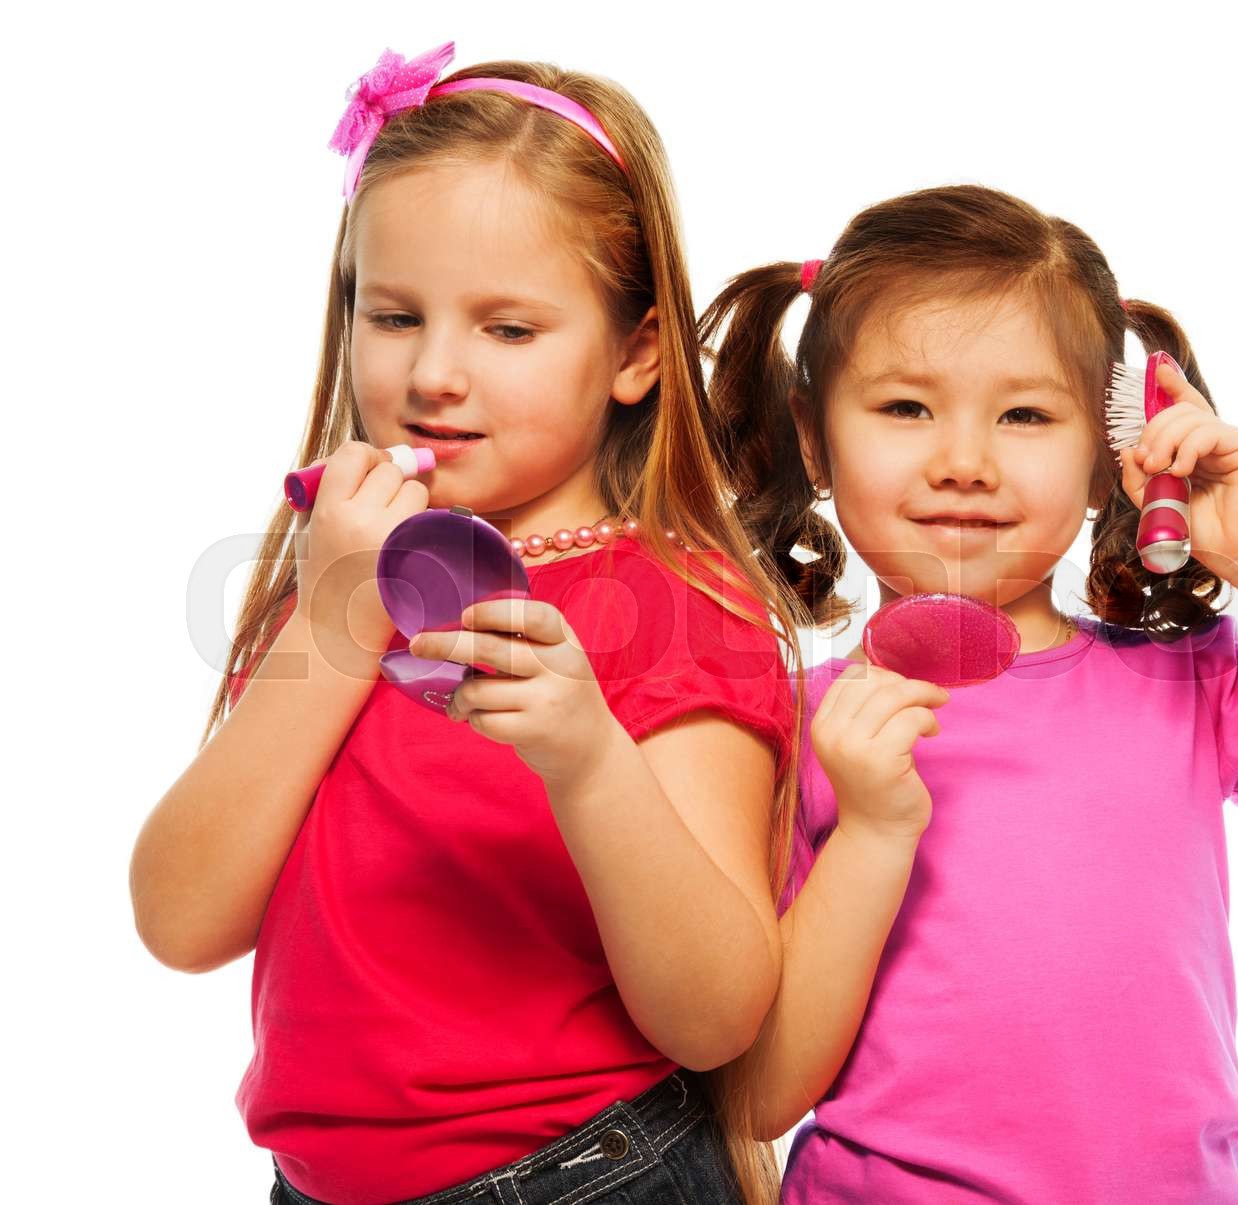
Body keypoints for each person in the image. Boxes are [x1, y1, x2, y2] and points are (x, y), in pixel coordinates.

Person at [699, 183, 1238, 1203]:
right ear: (814, 438)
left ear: (1108, 456)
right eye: (906, 407)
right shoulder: (786, 728)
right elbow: (754, 1101)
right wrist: (870, 825)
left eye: (1026, 414)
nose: (964, 461)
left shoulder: (1189, 685)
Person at [130, 42, 802, 1205]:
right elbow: (180, 918)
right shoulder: (340, 580)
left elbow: (715, 1015)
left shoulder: (679, 610)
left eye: (508, 330)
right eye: (394, 315)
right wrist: (333, 617)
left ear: (638, 351)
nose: (434, 372)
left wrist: (588, 756)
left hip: (587, 1178)